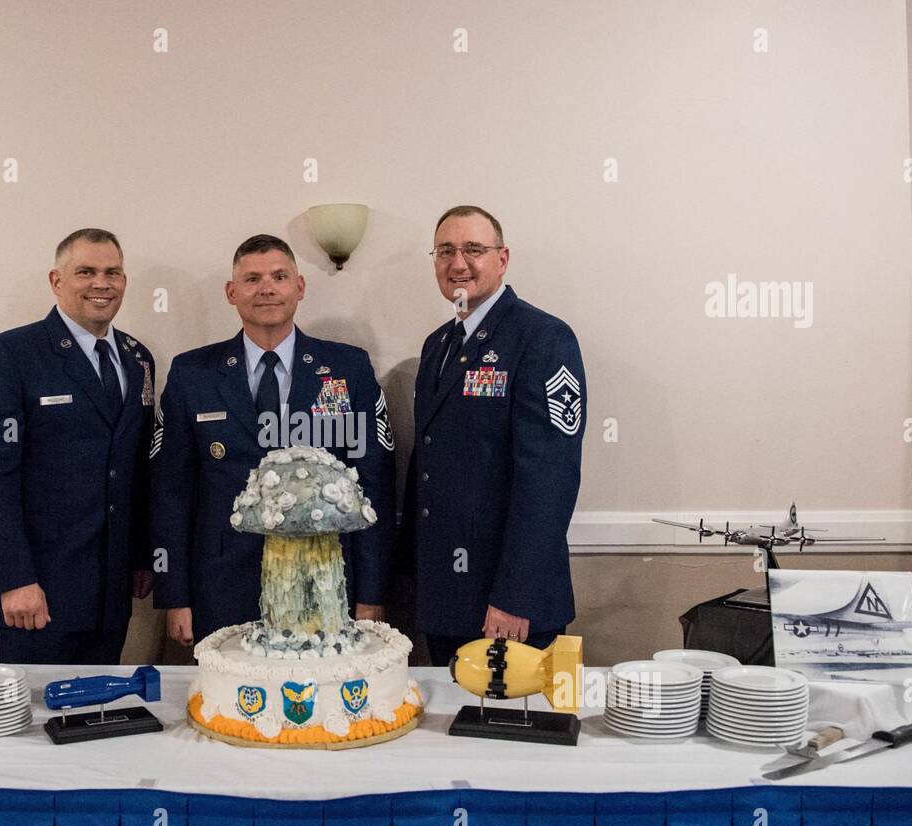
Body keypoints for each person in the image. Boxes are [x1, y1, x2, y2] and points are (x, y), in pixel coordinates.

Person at [152, 234, 395, 648]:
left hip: (327, 580)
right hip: (222, 584)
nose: (266, 288)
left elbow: (372, 486)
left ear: (299, 287)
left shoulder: (346, 368)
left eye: (279, 276)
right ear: (232, 292)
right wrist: (175, 596)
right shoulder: (193, 374)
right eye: (252, 279)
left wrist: (372, 593)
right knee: (232, 706)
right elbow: (171, 492)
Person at [0, 228, 154, 664]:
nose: (101, 283)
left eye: (113, 272)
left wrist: (142, 554)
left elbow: (138, 468)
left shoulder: (138, 358)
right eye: (86, 271)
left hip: (111, 591)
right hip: (37, 591)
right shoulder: (12, 354)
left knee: (97, 718)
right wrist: (12, 578)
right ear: (56, 281)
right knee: (33, 724)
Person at [401, 205, 586, 666]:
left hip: (506, 606)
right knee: (450, 731)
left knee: (506, 734)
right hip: (446, 596)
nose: (458, 263)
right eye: (445, 250)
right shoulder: (437, 345)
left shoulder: (542, 338)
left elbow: (550, 481)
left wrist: (515, 596)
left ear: (502, 259)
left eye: (473, 249)